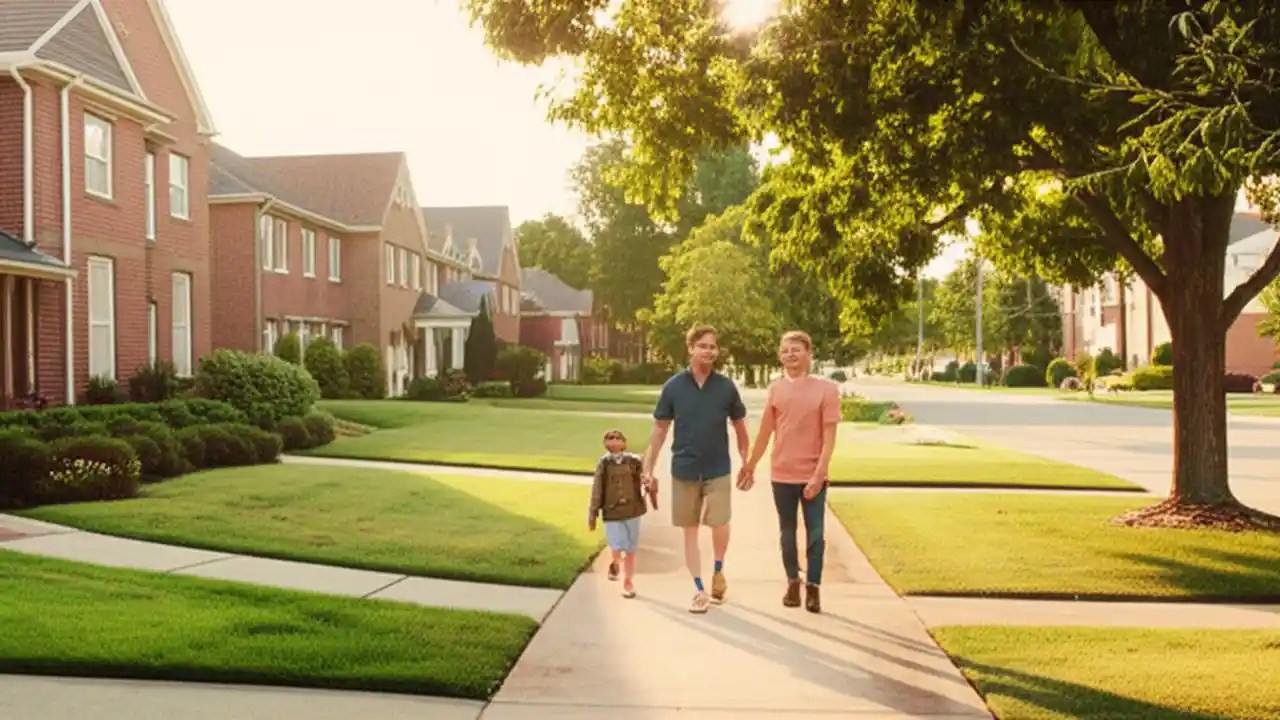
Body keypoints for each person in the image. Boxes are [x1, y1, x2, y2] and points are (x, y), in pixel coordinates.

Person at [642, 325, 750, 614]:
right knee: (690, 532)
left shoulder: (726, 387)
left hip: (718, 468)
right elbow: (660, 431)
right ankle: (699, 588)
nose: (709, 351)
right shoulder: (673, 387)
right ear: (690, 348)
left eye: (713, 347)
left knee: (719, 523)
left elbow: (740, 427)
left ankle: (718, 570)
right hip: (684, 469)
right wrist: (648, 467)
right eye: (702, 345)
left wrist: (746, 460)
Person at [740, 330, 839, 613]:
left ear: (808, 354)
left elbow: (829, 436)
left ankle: (814, 589)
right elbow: (765, 432)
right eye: (785, 350)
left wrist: (819, 474)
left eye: (796, 349)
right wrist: (750, 464)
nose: (790, 354)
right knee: (787, 531)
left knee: (816, 535)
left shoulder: (826, 390)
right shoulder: (776, 390)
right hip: (782, 473)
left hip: (812, 474)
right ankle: (793, 583)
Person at [588, 429, 655, 599]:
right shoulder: (604, 464)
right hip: (612, 511)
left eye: (617, 438)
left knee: (631, 548)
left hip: (632, 510)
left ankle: (628, 581)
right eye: (610, 439)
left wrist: (648, 484)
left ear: (624, 442)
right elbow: (597, 489)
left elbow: (643, 478)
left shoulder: (633, 461)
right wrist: (593, 512)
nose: (614, 442)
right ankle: (616, 562)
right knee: (616, 544)